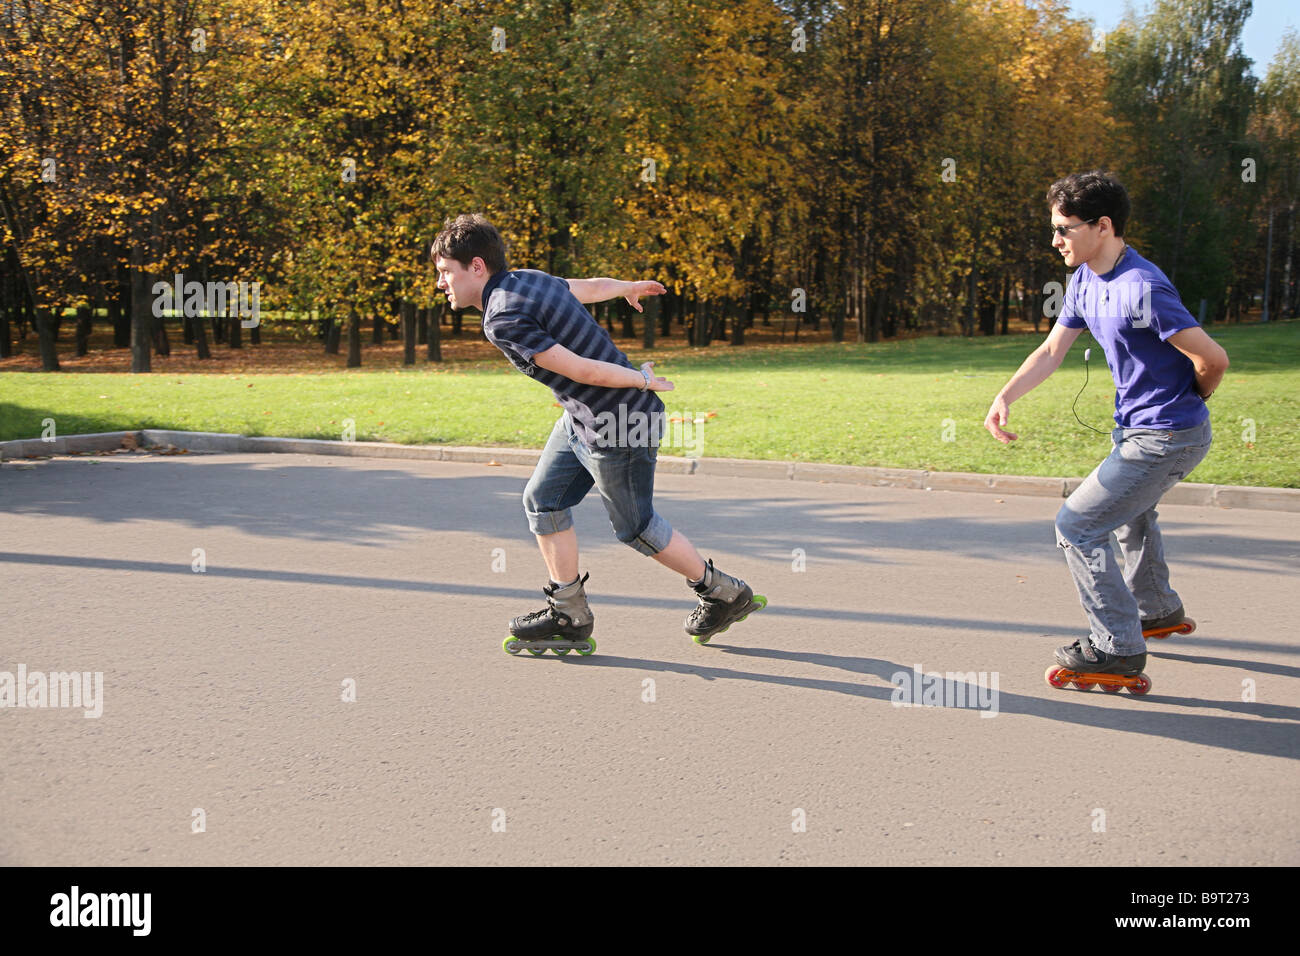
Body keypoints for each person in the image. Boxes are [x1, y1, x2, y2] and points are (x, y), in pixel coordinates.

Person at [430, 213, 764, 652]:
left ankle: (723, 592)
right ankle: (568, 612)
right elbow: (585, 287)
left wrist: (641, 381)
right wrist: (625, 288)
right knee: (542, 500)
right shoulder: (525, 280)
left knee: (636, 527)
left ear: (476, 267)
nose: (440, 283)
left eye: (445, 272)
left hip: (621, 422)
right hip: (583, 418)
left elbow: (580, 368)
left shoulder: (501, 317)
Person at [983, 170, 1228, 682]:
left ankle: (1116, 645)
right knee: (1131, 515)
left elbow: (1213, 359)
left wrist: (1187, 402)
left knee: (1077, 524)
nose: (1055, 240)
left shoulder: (1143, 287)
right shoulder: (1084, 280)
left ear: (1103, 226)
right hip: (1139, 431)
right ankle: (1156, 609)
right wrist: (1005, 396)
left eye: (1063, 229)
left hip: (1165, 436)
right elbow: (1052, 350)